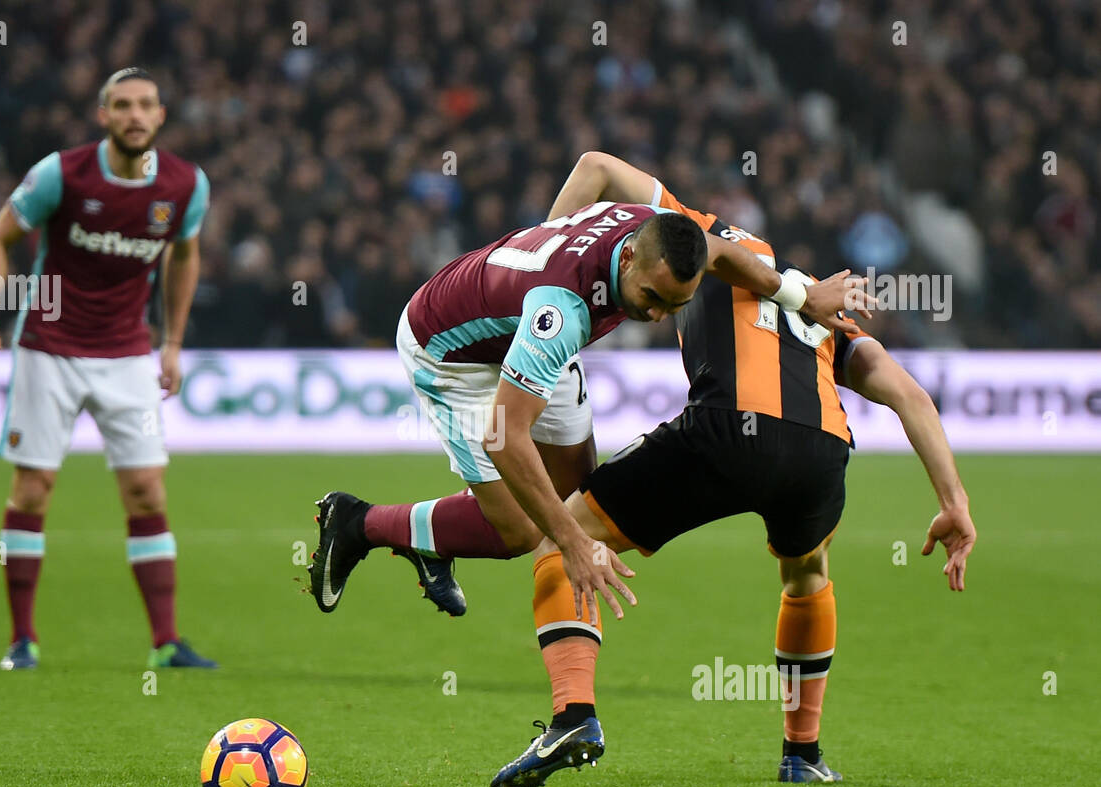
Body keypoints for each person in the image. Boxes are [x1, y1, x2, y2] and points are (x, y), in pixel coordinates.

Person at [487, 154, 977, 787]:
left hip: (725, 433)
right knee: (806, 576)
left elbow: (596, 167)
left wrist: (545, 258)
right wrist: (954, 501)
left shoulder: (694, 238)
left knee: (563, 537)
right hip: (820, 453)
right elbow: (908, 395)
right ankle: (802, 755)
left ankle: (573, 715)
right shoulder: (817, 301)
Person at [307, 154, 866, 620]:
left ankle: (439, 538)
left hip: (524, 332)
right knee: (522, 529)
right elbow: (508, 439)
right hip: (450, 352)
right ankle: (357, 522)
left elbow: (611, 176)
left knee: (572, 496)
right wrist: (575, 546)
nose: (657, 315)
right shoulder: (562, 308)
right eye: (651, 298)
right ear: (628, 261)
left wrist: (797, 296)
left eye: (677, 305)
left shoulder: (653, 230)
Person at [0, 68, 216, 671]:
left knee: (146, 490)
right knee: (32, 489)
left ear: (160, 115)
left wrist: (174, 342)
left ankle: (166, 644)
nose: (134, 115)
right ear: (103, 115)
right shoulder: (62, 173)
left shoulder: (186, 185)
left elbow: (184, 256)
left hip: (129, 354)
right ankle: (21, 640)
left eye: (145, 105)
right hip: (49, 348)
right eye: (121, 105)